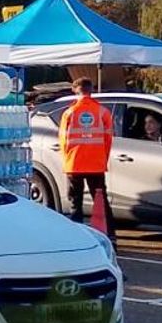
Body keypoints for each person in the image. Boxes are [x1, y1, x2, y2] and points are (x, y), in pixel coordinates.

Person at [58, 78, 116, 237]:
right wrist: (102, 158)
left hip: (74, 164)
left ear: (76, 90)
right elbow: (108, 139)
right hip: (96, 164)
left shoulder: (69, 112)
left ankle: (78, 237)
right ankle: (109, 235)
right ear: (91, 90)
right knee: (101, 202)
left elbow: (63, 140)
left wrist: (67, 160)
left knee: (75, 203)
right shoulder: (102, 112)